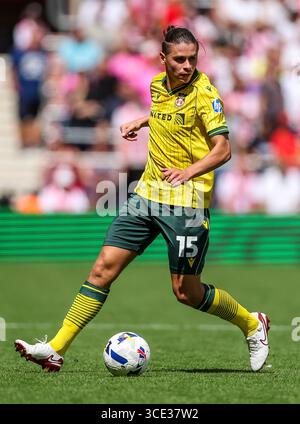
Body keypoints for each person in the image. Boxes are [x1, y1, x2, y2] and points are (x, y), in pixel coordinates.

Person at [15, 26, 270, 373]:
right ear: (162, 59)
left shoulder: (206, 93)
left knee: (186, 293)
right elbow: (169, 113)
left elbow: (223, 149)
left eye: (192, 59)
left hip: (187, 202)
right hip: (148, 194)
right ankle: (55, 348)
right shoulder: (155, 85)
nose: (186, 66)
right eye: (179, 59)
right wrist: (143, 120)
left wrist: (189, 171)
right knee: (102, 268)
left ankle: (252, 324)